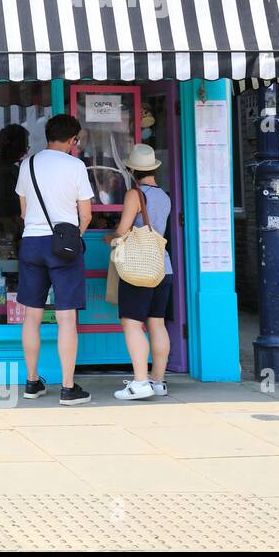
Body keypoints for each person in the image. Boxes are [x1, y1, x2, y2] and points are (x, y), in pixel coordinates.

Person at [15, 113, 94, 405]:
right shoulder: (76, 166)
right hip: (63, 246)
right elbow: (85, 214)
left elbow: (23, 212)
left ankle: (32, 382)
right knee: (66, 317)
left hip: (31, 244)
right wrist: (74, 236)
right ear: (73, 140)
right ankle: (68, 387)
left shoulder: (28, 164)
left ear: (48, 136)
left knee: (32, 316)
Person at [104, 144, 173, 401]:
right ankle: (158, 380)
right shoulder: (164, 196)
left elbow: (123, 231)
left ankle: (140, 382)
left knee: (132, 324)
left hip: (139, 268)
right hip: (163, 267)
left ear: (132, 170)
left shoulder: (135, 194)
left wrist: (109, 238)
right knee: (157, 323)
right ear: (153, 168)